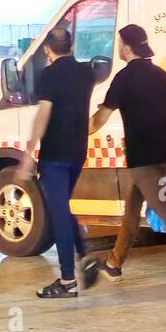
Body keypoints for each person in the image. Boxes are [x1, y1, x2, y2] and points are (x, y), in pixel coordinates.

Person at [89, 24, 166, 290]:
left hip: (143, 161)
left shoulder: (124, 78)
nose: (118, 48)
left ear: (127, 47)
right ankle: (113, 264)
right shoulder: (163, 76)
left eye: (120, 43)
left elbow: (100, 119)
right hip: (160, 159)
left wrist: (75, 132)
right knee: (131, 211)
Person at [19, 26, 102, 298]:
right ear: (72, 44)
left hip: (54, 155)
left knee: (59, 215)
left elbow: (44, 114)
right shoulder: (85, 73)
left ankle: (68, 281)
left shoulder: (50, 75)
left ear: (47, 48)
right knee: (63, 209)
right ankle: (84, 256)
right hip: (78, 151)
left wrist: (30, 152)